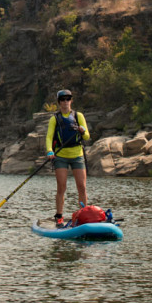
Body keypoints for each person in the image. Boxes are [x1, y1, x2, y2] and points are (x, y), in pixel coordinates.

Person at [45, 89, 90, 227]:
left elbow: (87, 136)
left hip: (77, 155)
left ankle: (83, 215)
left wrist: (82, 131)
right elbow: (49, 137)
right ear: (59, 102)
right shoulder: (55, 119)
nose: (65, 102)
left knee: (81, 187)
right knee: (61, 187)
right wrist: (49, 151)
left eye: (68, 99)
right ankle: (59, 217)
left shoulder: (78, 116)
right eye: (63, 99)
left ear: (71, 100)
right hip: (61, 156)